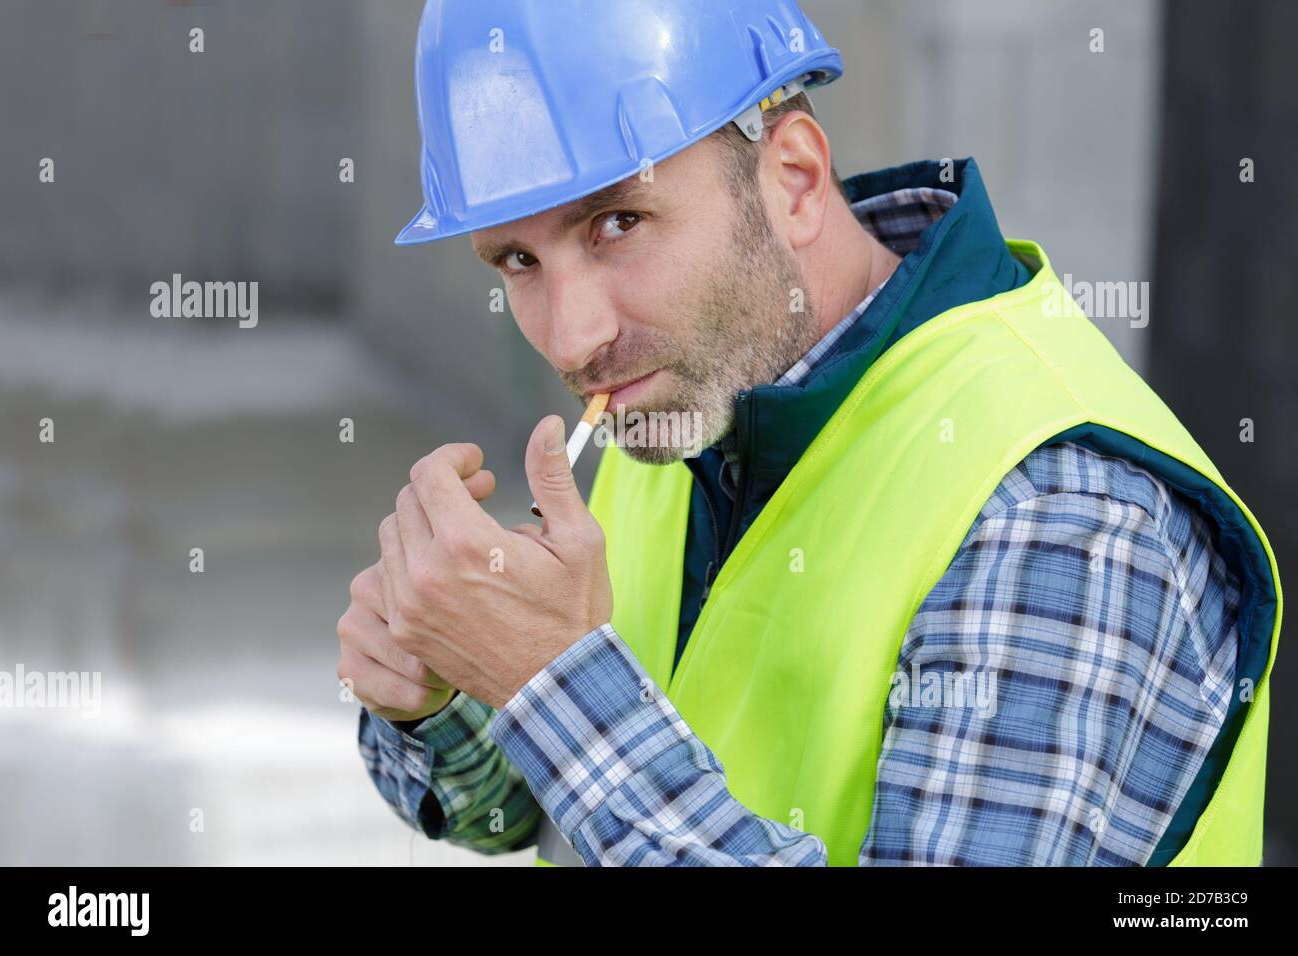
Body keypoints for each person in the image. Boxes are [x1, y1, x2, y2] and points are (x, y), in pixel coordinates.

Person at [338, 0, 1281, 866]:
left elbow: (598, 752)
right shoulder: (689, 394)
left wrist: (553, 683)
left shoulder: (1062, 516)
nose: (573, 334)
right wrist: (446, 687)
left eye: (619, 221)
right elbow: (533, 811)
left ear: (792, 179)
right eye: (517, 259)